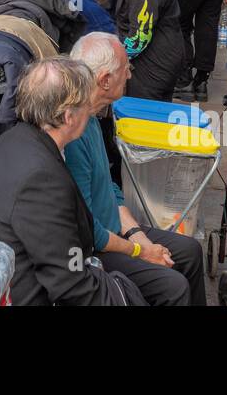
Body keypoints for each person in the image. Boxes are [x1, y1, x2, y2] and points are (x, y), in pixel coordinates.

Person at [0, 58, 143, 306]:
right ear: (68, 117)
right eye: (86, 104)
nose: (91, 110)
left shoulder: (14, 139)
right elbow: (70, 284)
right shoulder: (42, 180)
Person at [65, 34, 206, 305]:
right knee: (173, 285)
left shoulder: (93, 117)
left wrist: (139, 236)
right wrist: (141, 250)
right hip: (96, 248)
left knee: (189, 250)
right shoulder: (75, 132)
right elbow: (87, 229)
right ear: (105, 80)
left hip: (113, 232)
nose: (130, 74)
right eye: (125, 68)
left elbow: (110, 189)